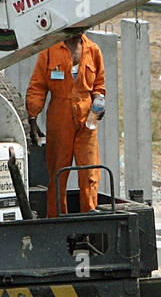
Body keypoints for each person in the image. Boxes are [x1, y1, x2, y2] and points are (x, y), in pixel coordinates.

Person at [25, 31, 107, 217]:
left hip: (87, 121)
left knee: (90, 174)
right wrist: (32, 117)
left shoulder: (93, 50)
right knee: (58, 174)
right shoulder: (50, 51)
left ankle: (89, 223)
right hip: (59, 118)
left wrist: (99, 102)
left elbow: (99, 85)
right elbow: (38, 86)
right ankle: (57, 222)